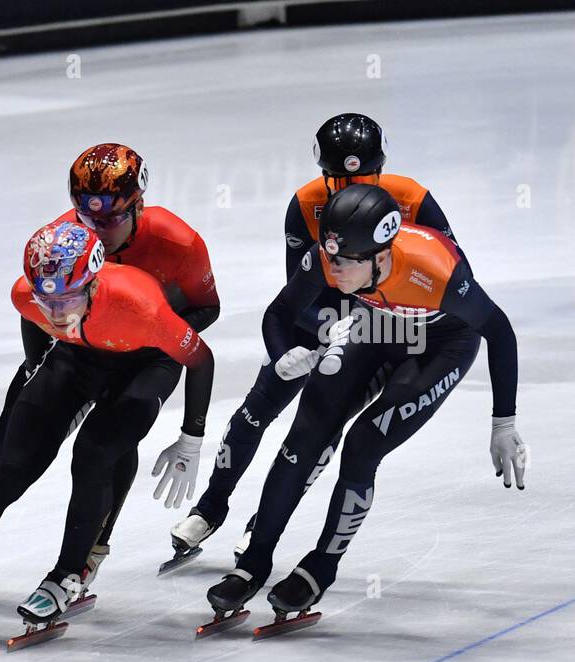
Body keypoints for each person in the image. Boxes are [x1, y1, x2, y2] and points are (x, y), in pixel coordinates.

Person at [203, 184, 525, 630]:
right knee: (304, 436)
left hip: (443, 346)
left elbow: (500, 329)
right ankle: (254, 560)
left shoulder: (433, 270)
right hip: (378, 329)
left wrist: (503, 421)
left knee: (362, 446)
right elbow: (278, 313)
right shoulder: (334, 255)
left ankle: (321, 567)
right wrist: (283, 356)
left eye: (347, 263)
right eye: (330, 258)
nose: (335, 272)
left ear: (380, 255)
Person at [0, 142, 220, 585]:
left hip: (149, 350)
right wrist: (37, 366)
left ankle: (89, 550)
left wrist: (152, 329)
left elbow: (207, 309)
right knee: (8, 444)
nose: (99, 228)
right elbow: (34, 308)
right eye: (88, 216)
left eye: (113, 217)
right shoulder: (60, 238)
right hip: (79, 348)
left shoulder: (179, 243)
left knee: (102, 449)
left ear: (139, 205)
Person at [0, 220, 213, 629]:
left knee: (94, 455)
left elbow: (201, 358)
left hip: (146, 363)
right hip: (80, 355)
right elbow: (37, 322)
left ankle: (68, 574)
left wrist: (191, 436)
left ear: (94, 283)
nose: (57, 312)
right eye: (50, 302)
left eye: (68, 299)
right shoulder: (26, 296)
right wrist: (34, 375)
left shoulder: (141, 307)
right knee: (12, 464)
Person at [173, 113, 460, 562]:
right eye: (340, 182)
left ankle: (260, 525)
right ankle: (210, 507)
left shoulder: (413, 198)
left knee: (313, 436)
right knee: (254, 413)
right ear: (323, 175)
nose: (353, 189)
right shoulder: (306, 204)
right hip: (323, 314)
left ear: (382, 170)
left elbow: (449, 270)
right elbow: (296, 291)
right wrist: (307, 341)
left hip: (378, 328)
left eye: (365, 178)